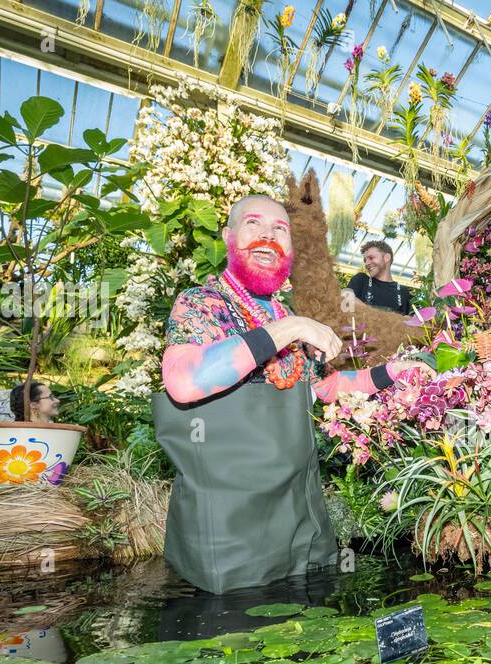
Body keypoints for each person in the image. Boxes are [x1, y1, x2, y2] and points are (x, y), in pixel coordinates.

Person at [153, 194, 428, 594]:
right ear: (229, 237)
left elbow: (326, 388)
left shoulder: (283, 317)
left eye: (280, 230)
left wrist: (393, 373)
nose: (268, 236)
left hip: (301, 526)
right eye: (254, 224)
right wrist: (290, 329)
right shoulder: (203, 303)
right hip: (231, 537)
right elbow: (184, 381)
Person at [345, 240, 413, 315]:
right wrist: (382, 315)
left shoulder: (404, 292)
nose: (366, 263)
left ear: (387, 258)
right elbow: (345, 298)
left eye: (371, 258)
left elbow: (411, 320)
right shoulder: (361, 280)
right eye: (365, 260)